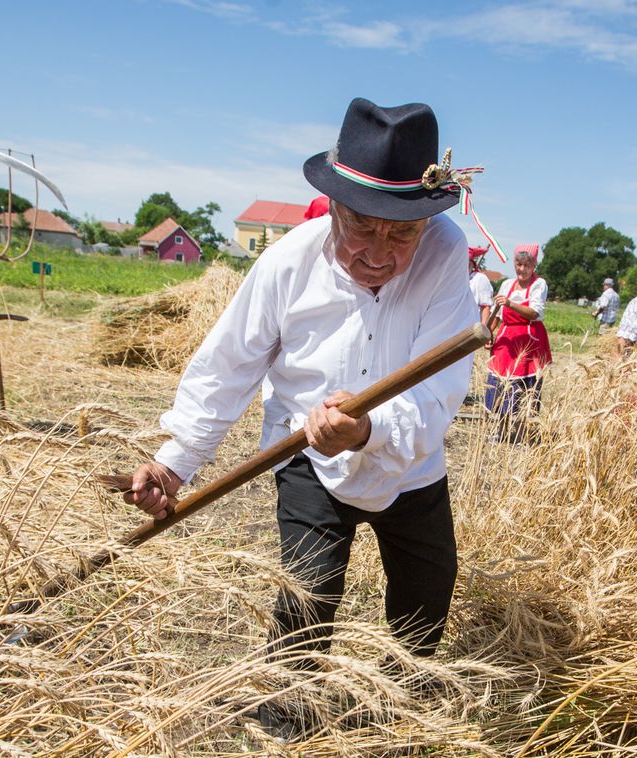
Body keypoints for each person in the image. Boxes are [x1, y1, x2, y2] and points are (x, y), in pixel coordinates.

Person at [120, 97, 478, 736]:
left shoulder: (446, 253)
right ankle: (288, 716)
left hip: (410, 460)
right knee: (307, 594)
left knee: (427, 590)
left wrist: (370, 429)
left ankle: (399, 716)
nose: (380, 250)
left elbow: (442, 387)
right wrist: (175, 464)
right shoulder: (288, 262)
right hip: (306, 452)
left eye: (402, 233)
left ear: (427, 221)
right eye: (363, 226)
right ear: (334, 206)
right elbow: (228, 365)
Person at [486, 244, 552, 443]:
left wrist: (510, 304)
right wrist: (489, 333)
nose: (522, 269)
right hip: (507, 339)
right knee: (501, 385)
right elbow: (496, 312)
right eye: (518, 264)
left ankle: (522, 434)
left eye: (526, 265)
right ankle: (501, 430)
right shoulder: (507, 285)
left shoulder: (539, 284)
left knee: (525, 388)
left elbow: (535, 312)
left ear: (534, 265)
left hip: (528, 340)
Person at [468, 246, 495, 323]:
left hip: (470, 326)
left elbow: (485, 306)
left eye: (468, 263)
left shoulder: (479, 278)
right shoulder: (453, 277)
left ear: (472, 264)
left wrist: (483, 330)